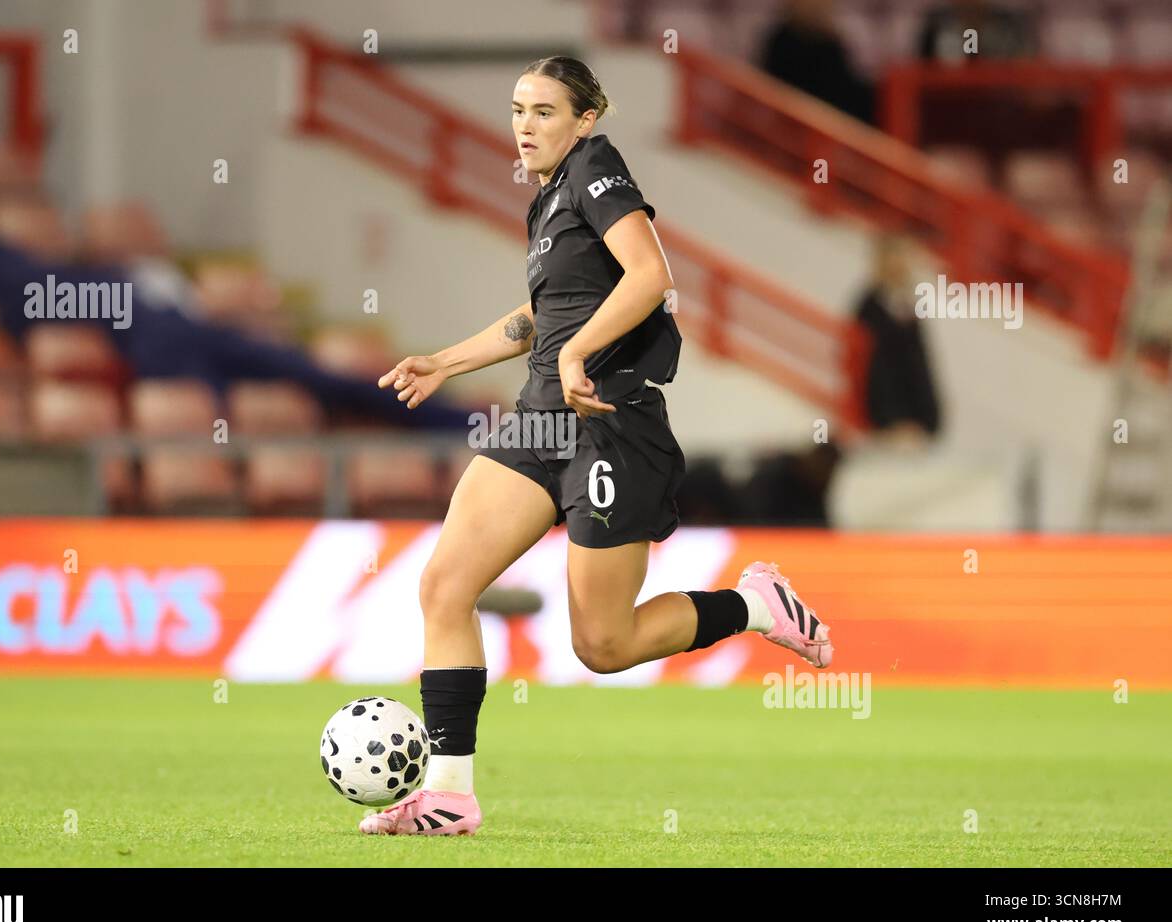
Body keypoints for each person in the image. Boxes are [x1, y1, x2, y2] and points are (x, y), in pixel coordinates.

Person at [359, 56, 836, 837]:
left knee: (603, 645)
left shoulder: (596, 165)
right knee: (445, 587)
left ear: (585, 120)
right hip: (542, 420)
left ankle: (755, 604)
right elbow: (542, 316)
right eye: (517, 110)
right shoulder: (545, 203)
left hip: (611, 423)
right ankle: (448, 793)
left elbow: (650, 276)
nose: (524, 126)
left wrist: (579, 354)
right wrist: (445, 360)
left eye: (545, 111)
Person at [0, 207, 468, 431]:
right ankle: (446, 416)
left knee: (319, 377)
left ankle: (445, 415)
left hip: (187, 330)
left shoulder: (73, 274)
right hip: (169, 337)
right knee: (305, 383)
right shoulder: (24, 276)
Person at [853, 235, 941, 442]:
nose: (903, 263)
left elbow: (920, 364)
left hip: (913, 417)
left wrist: (928, 418)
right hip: (885, 414)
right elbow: (874, 368)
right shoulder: (870, 305)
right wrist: (892, 419)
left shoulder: (908, 306)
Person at [758, 0, 875, 125]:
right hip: (816, 123)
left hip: (796, 122)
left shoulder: (779, 39)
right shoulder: (826, 46)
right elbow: (842, 91)